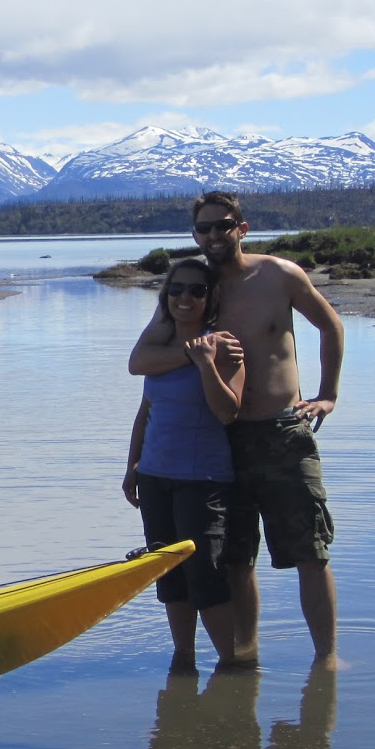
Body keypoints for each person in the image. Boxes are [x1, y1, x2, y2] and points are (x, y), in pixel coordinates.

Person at [129, 190, 345, 670]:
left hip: (281, 432)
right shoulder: (193, 290)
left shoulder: (278, 275)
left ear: (241, 228)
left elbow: (331, 326)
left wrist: (328, 394)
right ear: (194, 235)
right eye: (203, 228)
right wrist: (195, 355)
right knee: (235, 560)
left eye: (222, 225)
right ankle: (244, 660)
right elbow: (141, 361)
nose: (213, 235)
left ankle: (327, 661)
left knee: (310, 551)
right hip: (220, 445)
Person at [123, 257, 244, 672]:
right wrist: (132, 466)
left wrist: (206, 363)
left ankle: (232, 668)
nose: (184, 298)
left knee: (205, 575)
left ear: (210, 298)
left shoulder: (225, 348)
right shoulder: (156, 351)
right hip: (154, 476)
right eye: (175, 290)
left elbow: (227, 412)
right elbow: (145, 412)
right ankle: (184, 660)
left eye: (196, 290)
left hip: (202, 479)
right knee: (169, 574)